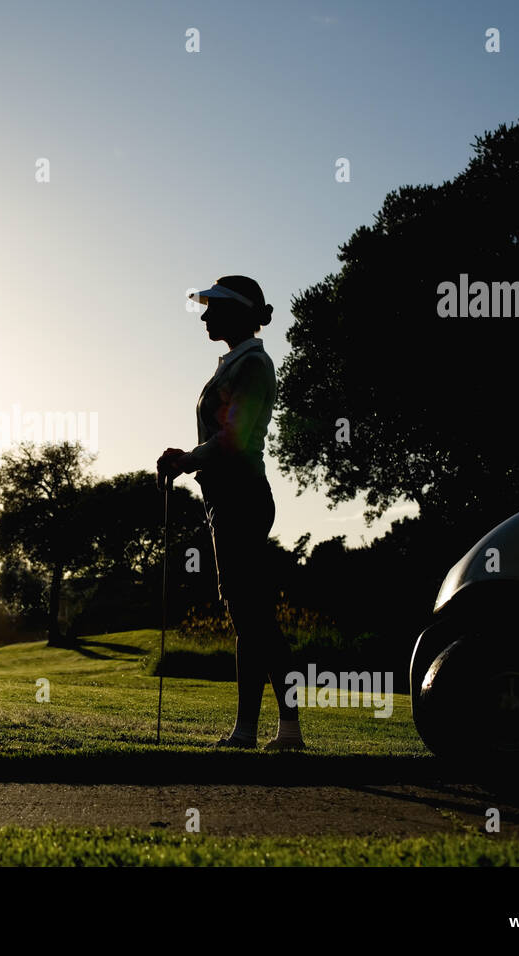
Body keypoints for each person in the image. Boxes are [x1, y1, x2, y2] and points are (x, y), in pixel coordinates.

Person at [157, 275, 304, 751]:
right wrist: (190, 458)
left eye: (213, 308)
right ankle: (271, 730)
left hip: (242, 499)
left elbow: (235, 439)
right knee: (253, 617)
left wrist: (187, 459)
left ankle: (267, 731)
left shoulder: (254, 366)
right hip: (228, 500)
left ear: (238, 313)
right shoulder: (236, 364)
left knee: (253, 617)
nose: (204, 315)